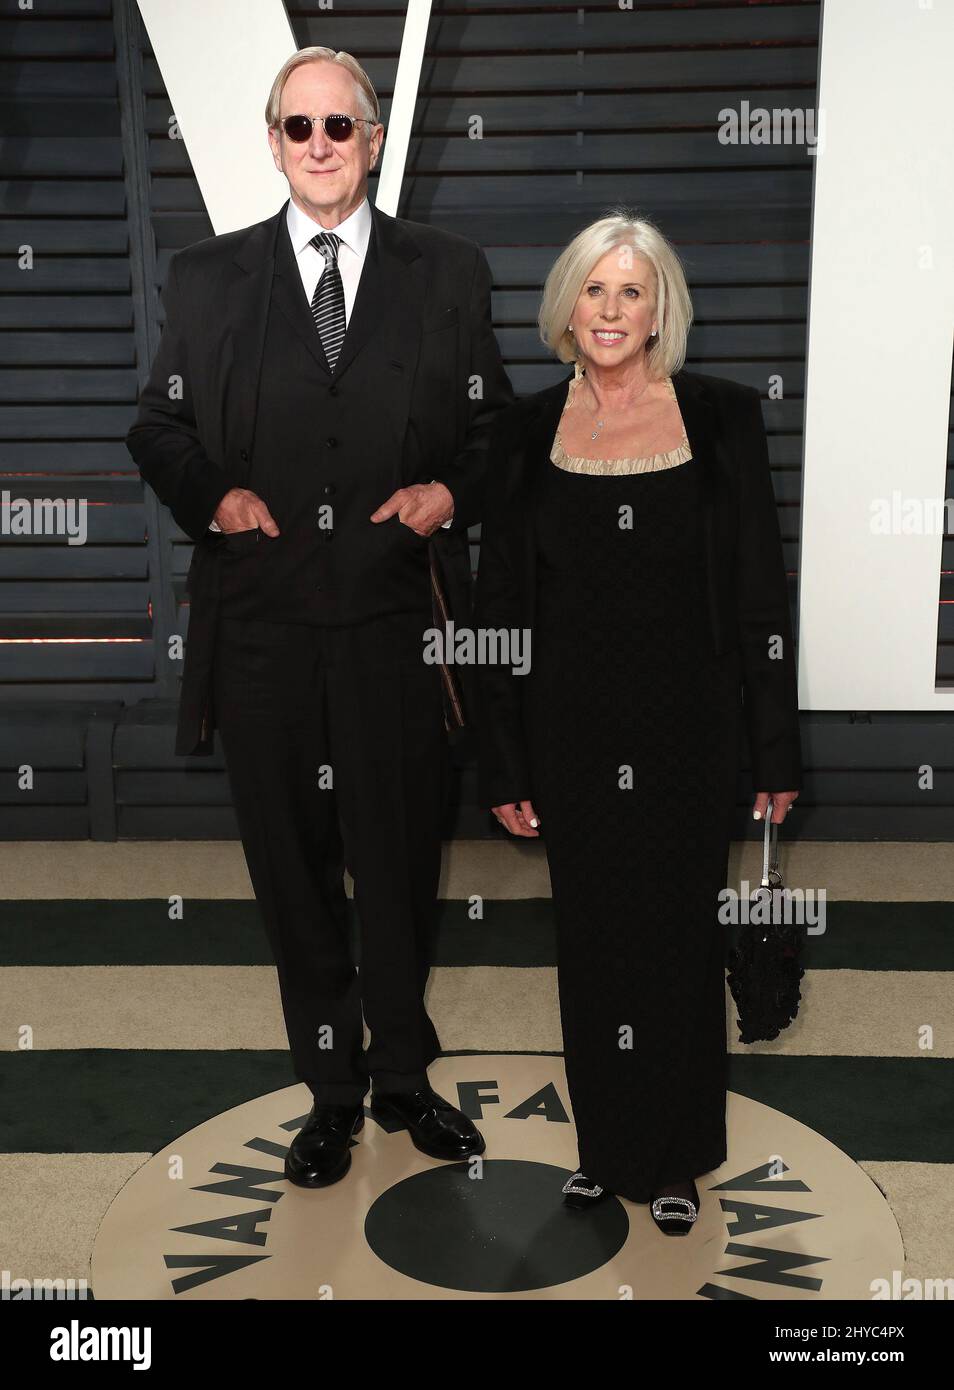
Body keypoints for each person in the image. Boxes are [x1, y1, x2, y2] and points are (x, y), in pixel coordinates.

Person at [126, 46, 514, 1188]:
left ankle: (403, 1076)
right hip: (263, 630)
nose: (320, 148)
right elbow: (158, 428)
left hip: (397, 622)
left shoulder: (449, 272)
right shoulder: (207, 278)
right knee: (293, 870)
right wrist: (216, 496)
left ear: (376, 138)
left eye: (340, 127)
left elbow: (494, 432)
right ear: (273, 141)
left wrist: (451, 493)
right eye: (298, 129)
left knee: (397, 862)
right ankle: (333, 1090)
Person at [473, 210, 802, 1234]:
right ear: (567, 305)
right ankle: (607, 1150)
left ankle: (676, 1153)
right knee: (593, 942)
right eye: (594, 289)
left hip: (689, 729)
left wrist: (772, 744)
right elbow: (497, 610)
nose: (610, 310)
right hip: (570, 730)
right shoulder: (526, 430)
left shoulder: (721, 419)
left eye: (631, 290)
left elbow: (758, 596)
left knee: (675, 943)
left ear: (662, 307)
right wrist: (504, 758)